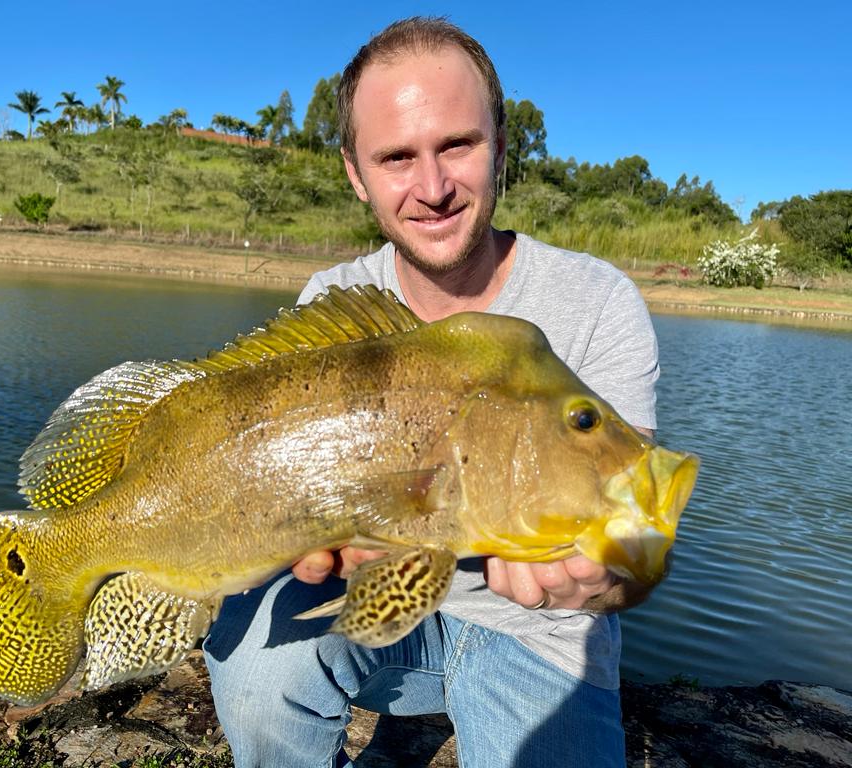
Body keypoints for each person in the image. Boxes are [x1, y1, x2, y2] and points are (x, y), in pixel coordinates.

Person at [203, 16, 660, 767]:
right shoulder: (336, 302)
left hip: (538, 637)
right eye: (396, 157)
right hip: (378, 622)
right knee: (255, 668)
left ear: (502, 147)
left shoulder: (597, 301)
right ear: (356, 174)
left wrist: (604, 577)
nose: (434, 187)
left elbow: (628, 519)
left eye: (458, 144)